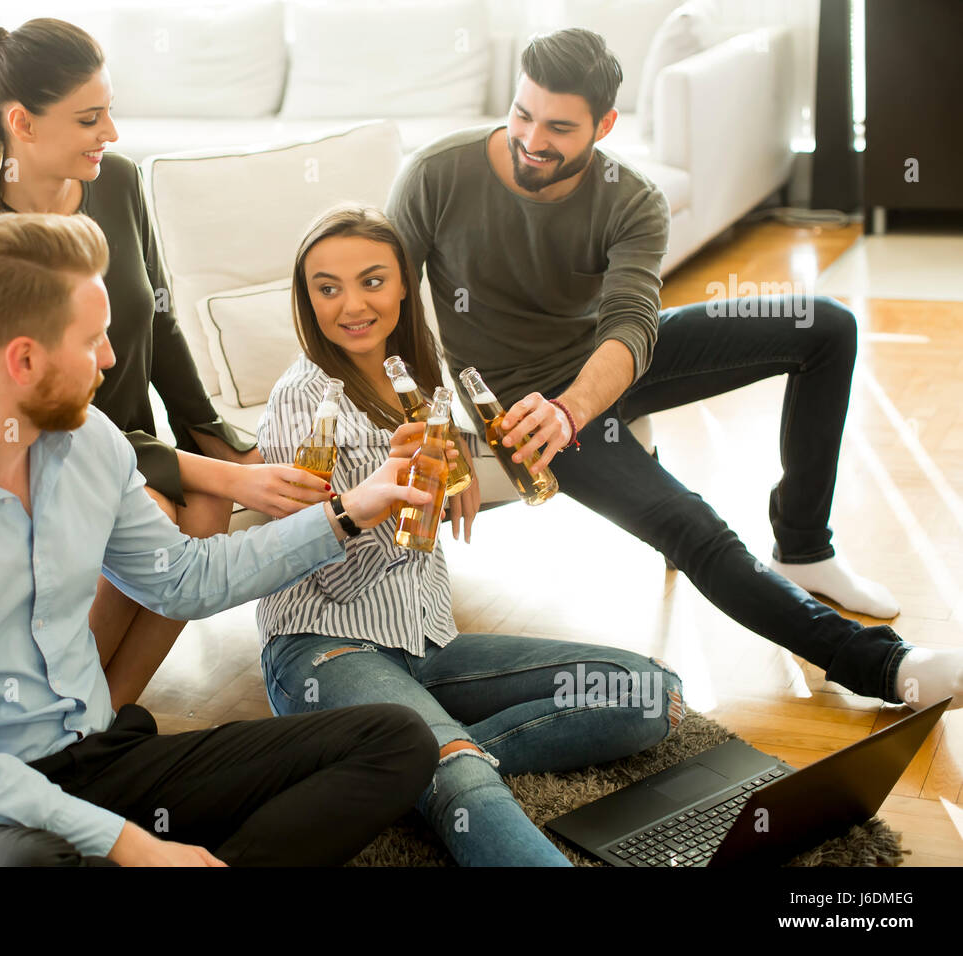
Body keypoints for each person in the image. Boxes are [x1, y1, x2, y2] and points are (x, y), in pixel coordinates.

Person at [0, 211, 441, 867]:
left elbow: (188, 580)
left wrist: (350, 511)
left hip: (104, 760)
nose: (110, 360)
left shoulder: (90, 443)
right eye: (92, 341)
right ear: (24, 360)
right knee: (32, 863)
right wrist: (133, 845)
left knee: (396, 740)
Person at [385, 28, 963, 712]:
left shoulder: (631, 198)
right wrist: (434, 427)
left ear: (605, 126)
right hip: (523, 411)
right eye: (522, 113)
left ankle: (803, 547)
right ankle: (880, 667)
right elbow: (392, 315)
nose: (532, 139)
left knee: (826, 327)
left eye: (560, 127)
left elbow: (633, 323)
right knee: (689, 522)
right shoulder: (435, 175)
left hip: (603, 372)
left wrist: (576, 405)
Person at [256, 204, 685, 866]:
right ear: (305, 297)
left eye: (372, 281)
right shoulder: (303, 398)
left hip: (426, 640)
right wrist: (396, 501)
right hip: (325, 650)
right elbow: (315, 574)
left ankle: (412, 763)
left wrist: (455, 472)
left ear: (403, 284)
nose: (351, 305)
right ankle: (441, 764)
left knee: (646, 693)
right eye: (326, 287)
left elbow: (453, 500)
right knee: (460, 777)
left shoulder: (420, 381)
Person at [0, 18, 330, 709]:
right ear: (22, 124)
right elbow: (48, 425)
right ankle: (57, 721)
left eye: (109, 110)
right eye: (90, 118)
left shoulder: (114, 182)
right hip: (40, 462)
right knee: (149, 512)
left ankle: (106, 717)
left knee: (206, 504)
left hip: (131, 442)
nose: (111, 133)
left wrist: (212, 436)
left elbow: (159, 315)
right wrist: (223, 473)